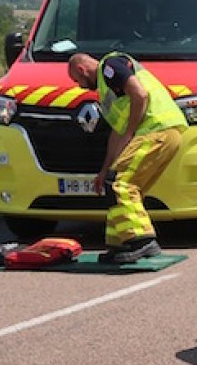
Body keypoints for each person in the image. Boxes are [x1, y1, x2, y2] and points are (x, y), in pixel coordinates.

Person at [66, 52, 188, 263]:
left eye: (78, 81)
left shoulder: (109, 66)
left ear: (81, 69)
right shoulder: (107, 91)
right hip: (163, 133)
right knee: (114, 184)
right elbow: (117, 134)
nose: (80, 86)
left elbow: (140, 95)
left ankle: (142, 241)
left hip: (156, 130)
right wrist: (104, 171)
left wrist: (132, 131)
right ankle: (120, 242)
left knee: (120, 184)